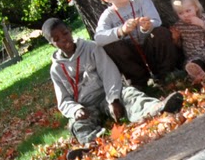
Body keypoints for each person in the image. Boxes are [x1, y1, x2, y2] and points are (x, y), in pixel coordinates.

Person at [45, 17, 183, 151]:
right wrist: (76, 110)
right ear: (52, 44)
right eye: (57, 39)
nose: (63, 39)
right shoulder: (56, 69)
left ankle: (154, 108)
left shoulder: (91, 48)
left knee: (130, 95)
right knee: (77, 125)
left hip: (105, 95)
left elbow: (108, 73)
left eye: (65, 33)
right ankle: (93, 142)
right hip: (86, 106)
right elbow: (63, 100)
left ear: (70, 31)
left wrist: (113, 99)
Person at [92, 0, 182, 84]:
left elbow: (156, 21)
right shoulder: (108, 15)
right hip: (132, 58)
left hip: (151, 49)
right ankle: (140, 82)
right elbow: (98, 38)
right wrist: (121, 31)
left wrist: (147, 26)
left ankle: (167, 73)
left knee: (160, 32)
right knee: (111, 46)